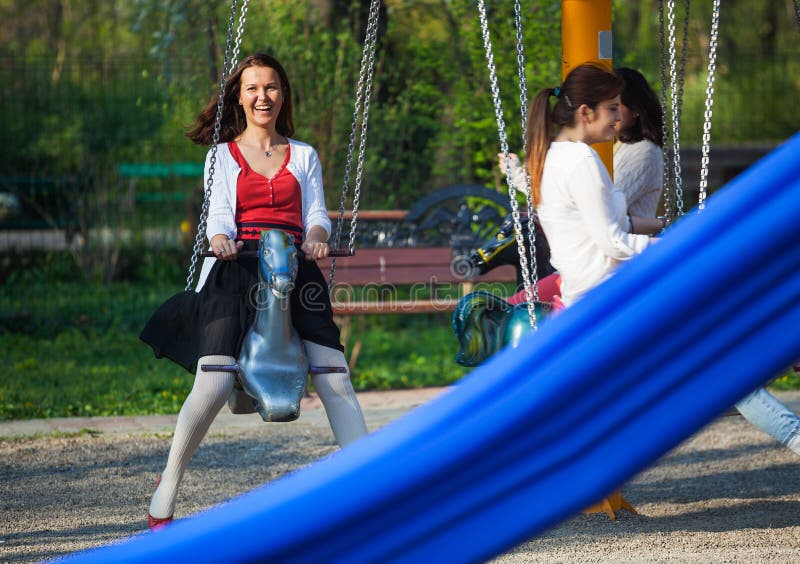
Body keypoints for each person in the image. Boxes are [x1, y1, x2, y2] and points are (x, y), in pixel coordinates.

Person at [523, 62, 800, 457]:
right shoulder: (582, 161)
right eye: (613, 108)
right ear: (586, 113)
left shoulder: (553, 156)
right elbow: (612, 240)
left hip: (594, 296)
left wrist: (670, 230)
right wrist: (669, 248)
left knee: (717, 356)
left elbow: (607, 223)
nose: (620, 117)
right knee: (725, 363)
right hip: (616, 297)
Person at [140, 53, 368, 530]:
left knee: (333, 375)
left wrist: (318, 237)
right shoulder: (222, 154)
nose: (262, 96)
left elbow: (317, 214)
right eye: (252, 88)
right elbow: (220, 213)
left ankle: (372, 486)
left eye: (271, 88)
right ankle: (168, 486)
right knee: (215, 378)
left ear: (282, 95)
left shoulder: (303, 154)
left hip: (293, 263)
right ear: (239, 97)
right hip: (239, 264)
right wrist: (219, 238)